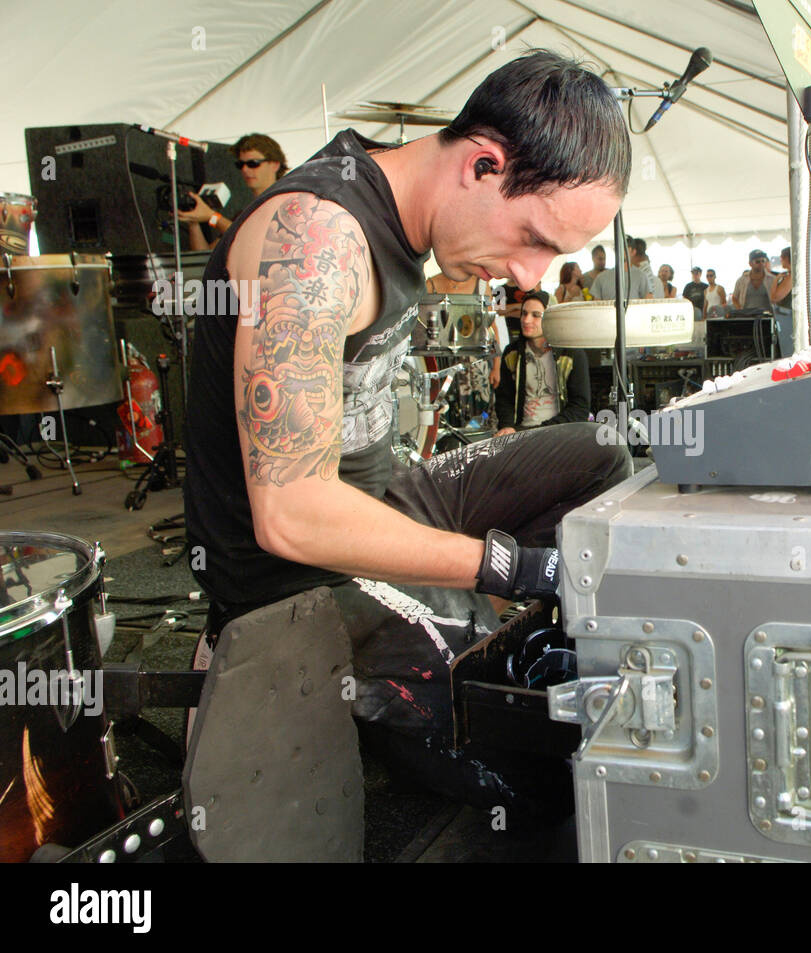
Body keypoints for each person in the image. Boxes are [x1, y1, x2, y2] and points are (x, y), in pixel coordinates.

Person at [184, 50, 632, 819]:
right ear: (483, 165)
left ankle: (508, 626)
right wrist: (512, 568)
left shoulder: (392, 204)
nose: (529, 277)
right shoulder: (314, 238)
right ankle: (376, 687)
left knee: (600, 453)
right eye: (533, 238)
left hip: (387, 494)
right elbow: (291, 514)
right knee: (542, 765)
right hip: (295, 574)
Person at [495, 292, 590, 434]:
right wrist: (507, 427)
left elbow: (579, 408)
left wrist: (541, 430)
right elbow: (504, 400)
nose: (526, 320)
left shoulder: (571, 354)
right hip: (521, 432)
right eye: (524, 313)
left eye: (535, 315)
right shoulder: (512, 353)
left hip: (560, 433)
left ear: (552, 318)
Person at [177, 133, 288, 251]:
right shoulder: (243, 215)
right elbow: (204, 255)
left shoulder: (285, 203)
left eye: (253, 163)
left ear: (275, 165)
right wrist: (194, 221)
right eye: (240, 165)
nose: (245, 169)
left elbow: (247, 239)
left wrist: (211, 217)